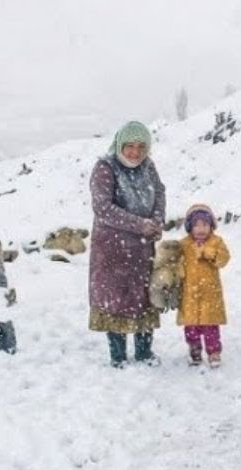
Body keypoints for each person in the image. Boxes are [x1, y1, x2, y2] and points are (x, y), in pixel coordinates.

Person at [88, 120, 166, 367]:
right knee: (116, 300)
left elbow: (160, 193)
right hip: (112, 249)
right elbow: (103, 208)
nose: (134, 152)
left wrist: (156, 220)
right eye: (129, 146)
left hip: (142, 248)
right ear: (120, 144)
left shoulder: (147, 166)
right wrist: (140, 224)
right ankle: (118, 356)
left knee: (143, 296)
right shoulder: (105, 167)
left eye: (140, 147)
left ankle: (144, 352)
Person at [177, 204, 230, 368]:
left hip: (209, 294)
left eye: (205, 225)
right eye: (196, 225)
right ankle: (195, 349)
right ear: (190, 227)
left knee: (210, 326)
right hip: (190, 294)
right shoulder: (184, 245)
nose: (201, 229)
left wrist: (209, 253)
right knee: (191, 325)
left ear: (211, 226)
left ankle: (214, 352)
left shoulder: (216, 242)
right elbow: (176, 262)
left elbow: (224, 259)